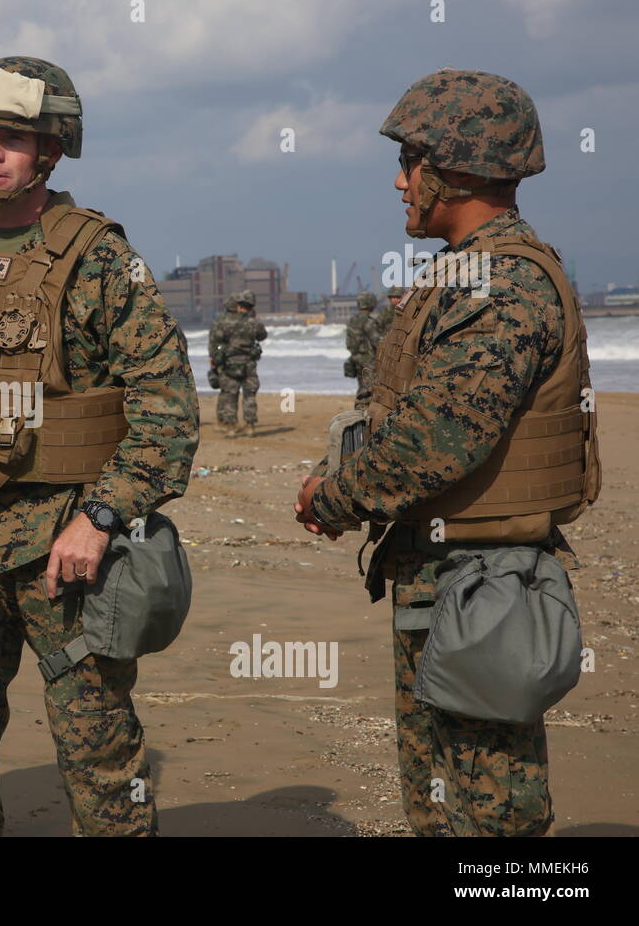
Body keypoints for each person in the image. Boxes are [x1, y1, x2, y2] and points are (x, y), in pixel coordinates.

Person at [0, 56, 199, 836]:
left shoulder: (99, 259)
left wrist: (101, 518)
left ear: (51, 151)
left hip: (60, 550)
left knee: (99, 758)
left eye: (10, 137)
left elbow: (168, 412)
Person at [294, 69, 601, 836]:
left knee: (488, 809)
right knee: (439, 791)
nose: (400, 183)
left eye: (410, 164)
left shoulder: (500, 282)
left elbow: (437, 440)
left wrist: (330, 498)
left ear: (455, 168)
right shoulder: (467, 273)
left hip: (482, 585)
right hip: (451, 576)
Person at [212, 287, 266, 436]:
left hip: (230, 364)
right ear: (252, 306)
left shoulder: (225, 323)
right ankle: (250, 426)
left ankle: (231, 428)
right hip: (249, 364)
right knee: (250, 396)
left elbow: (217, 339)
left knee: (231, 396)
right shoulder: (254, 323)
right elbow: (262, 336)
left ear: (238, 305)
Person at [344, 291, 383, 409]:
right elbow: (377, 341)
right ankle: (362, 410)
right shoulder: (368, 321)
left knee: (361, 385)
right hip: (368, 359)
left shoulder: (353, 320)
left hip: (355, 358)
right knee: (368, 387)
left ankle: (359, 409)